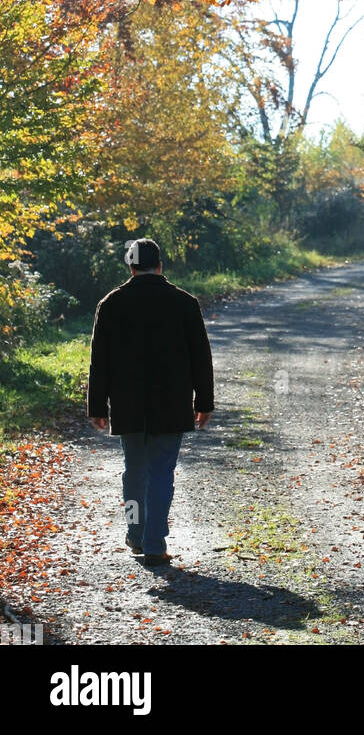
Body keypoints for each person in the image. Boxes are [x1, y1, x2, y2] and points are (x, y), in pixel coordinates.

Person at [86, 237, 214, 566]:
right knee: (161, 474)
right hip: (171, 404)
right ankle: (154, 543)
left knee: (133, 472)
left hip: (128, 404)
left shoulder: (111, 303)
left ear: (130, 265)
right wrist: (204, 401)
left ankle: (135, 532)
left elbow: (98, 361)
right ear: (160, 265)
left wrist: (97, 406)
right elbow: (201, 357)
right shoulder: (184, 303)